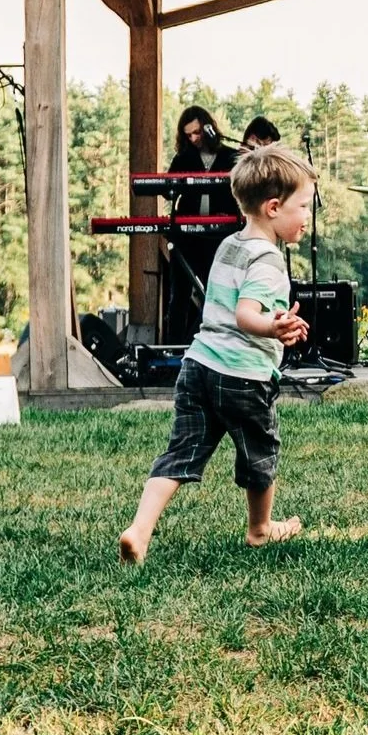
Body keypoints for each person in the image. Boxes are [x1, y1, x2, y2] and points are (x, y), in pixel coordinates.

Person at [119, 145, 316, 563]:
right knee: (260, 452)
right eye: (303, 206)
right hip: (242, 376)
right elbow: (247, 315)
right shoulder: (268, 259)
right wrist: (275, 327)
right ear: (274, 207)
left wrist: (270, 317)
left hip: (198, 366)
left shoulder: (230, 244)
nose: (307, 217)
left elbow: (229, 305)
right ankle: (260, 529)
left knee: (180, 453)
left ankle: (139, 529)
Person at [166, 106, 243, 341]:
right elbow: (168, 190)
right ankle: (175, 347)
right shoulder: (183, 159)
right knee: (179, 294)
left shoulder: (230, 156)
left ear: (209, 129)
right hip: (189, 237)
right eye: (188, 135)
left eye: (198, 133)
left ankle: (222, 342)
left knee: (219, 291)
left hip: (221, 236)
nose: (194, 139)